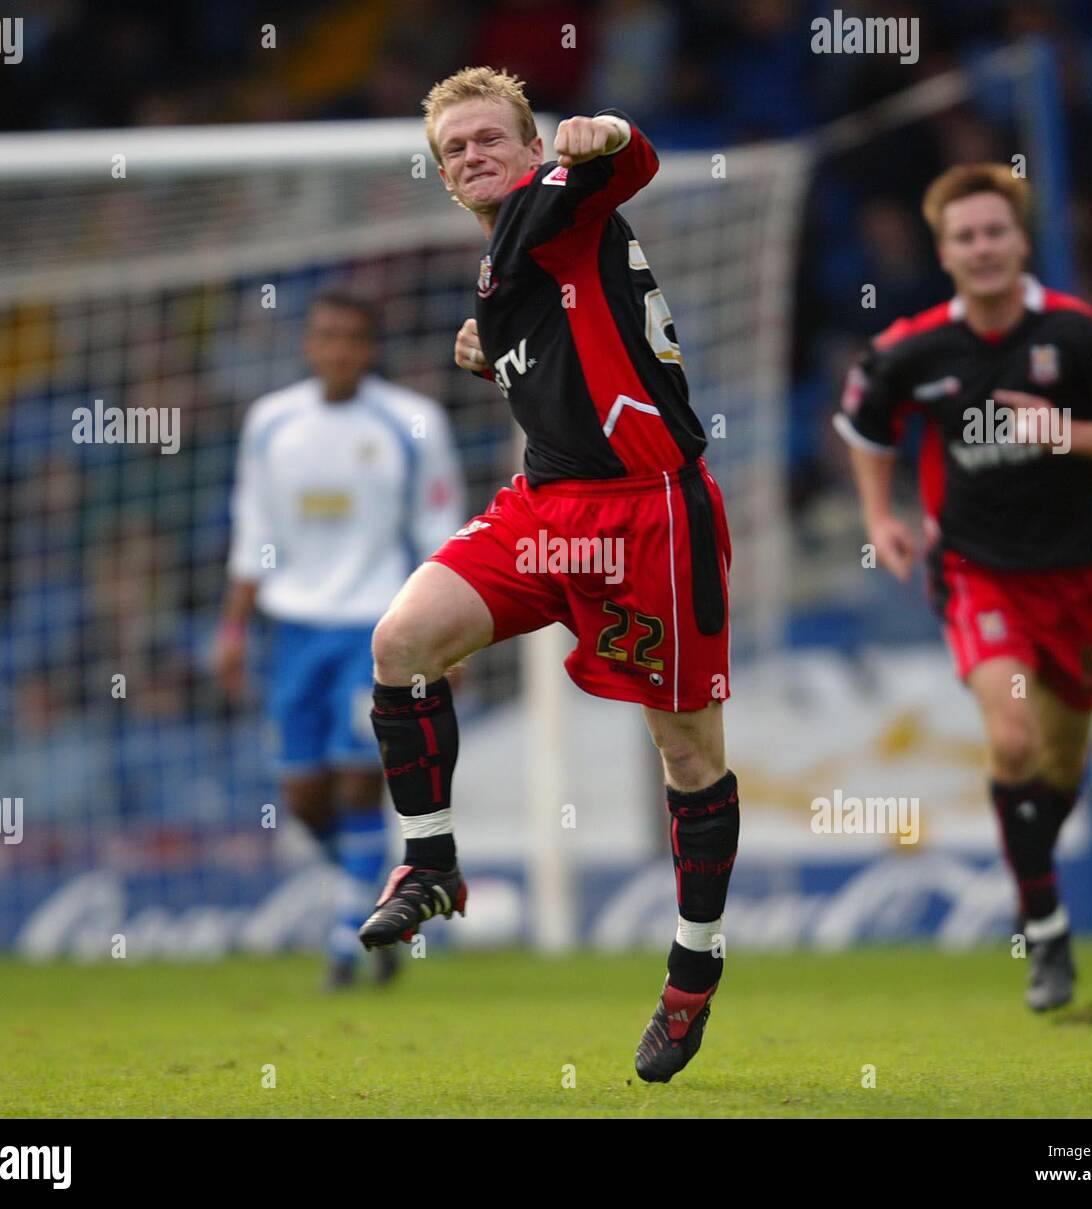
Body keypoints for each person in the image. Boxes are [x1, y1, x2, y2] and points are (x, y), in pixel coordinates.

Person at [358, 67, 738, 1083]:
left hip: (651, 516)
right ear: (444, 178)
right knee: (400, 643)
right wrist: (498, 351)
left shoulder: (558, 196)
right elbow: (572, 350)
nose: (473, 155)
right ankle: (430, 865)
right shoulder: (509, 262)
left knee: (689, 759)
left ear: (529, 148)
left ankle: (691, 972)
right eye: (454, 150)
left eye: (490, 138)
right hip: (547, 510)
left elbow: (626, 161)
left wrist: (605, 133)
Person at [833, 164, 1092, 1010]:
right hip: (977, 572)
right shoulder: (915, 348)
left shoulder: (1080, 335)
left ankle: (1027, 856)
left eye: (996, 232)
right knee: (1016, 738)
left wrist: (1066, 430)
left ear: (1022, 241)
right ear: (944, 251)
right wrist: (881, 516)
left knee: (1060, 760)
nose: (982, 247)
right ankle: (1047, 930)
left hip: (1080, 576)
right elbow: (862, 420)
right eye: (965, 236)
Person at [215, 289, 463, 988]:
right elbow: (252, 534)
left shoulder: (413, 422)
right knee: (305, 797)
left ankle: (346, 944)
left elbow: (438, 535)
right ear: (308, 343)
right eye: (326, 336)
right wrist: (233, 628)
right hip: (293, 631)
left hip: (380, 627)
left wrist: (453, 638)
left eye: (353, 337)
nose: (339, 350)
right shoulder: (272, 423)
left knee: (360, 782)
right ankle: (379, 899)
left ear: (372, 346)